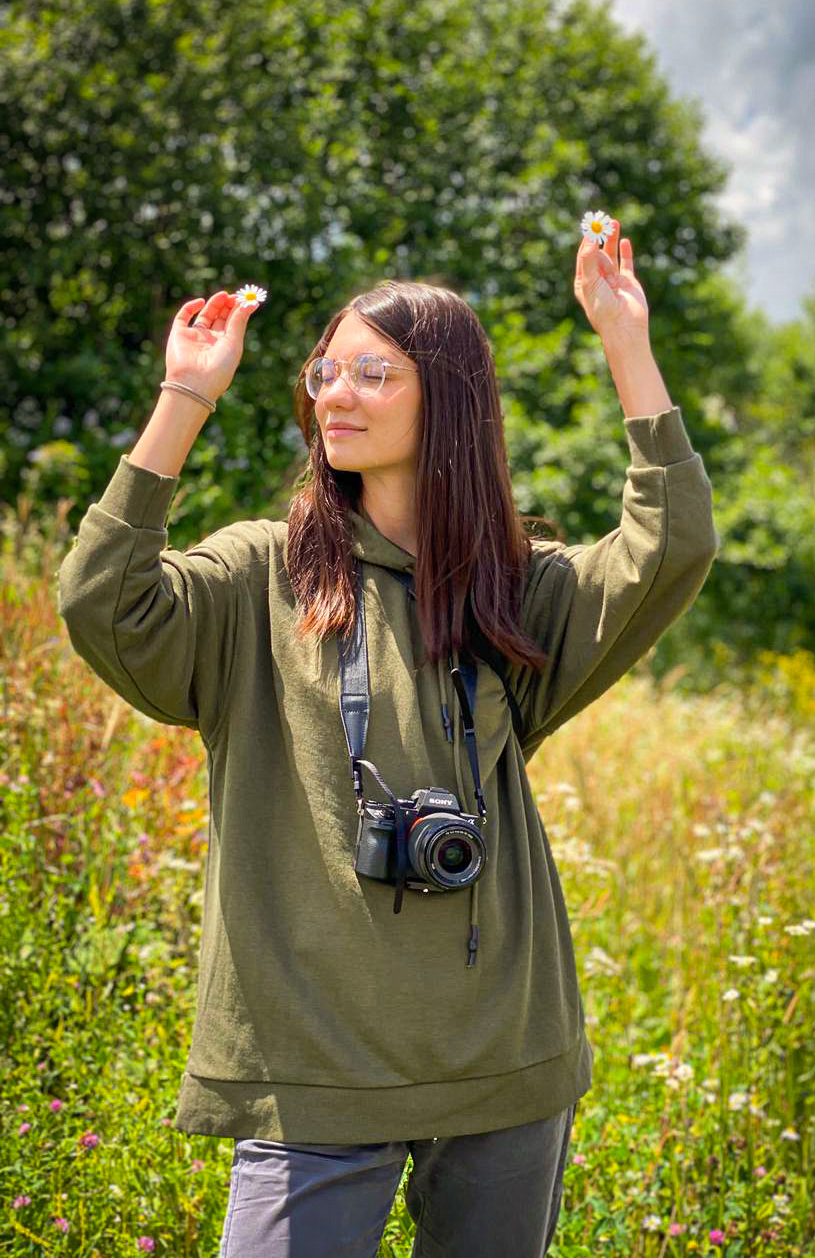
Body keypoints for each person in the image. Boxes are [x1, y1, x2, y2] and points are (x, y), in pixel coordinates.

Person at [56, 222, 719, 1257]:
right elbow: (103, 602)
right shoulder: (258, 577)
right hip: (310, 1066)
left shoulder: (516, 593)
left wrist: (625, 341)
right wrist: (184, 397)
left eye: (374, 372)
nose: (336, 394)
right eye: (326, 371)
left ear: (446, 399)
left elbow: (672, 543)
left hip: (504, 1057)